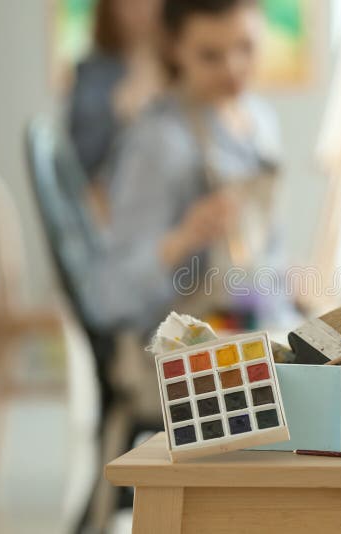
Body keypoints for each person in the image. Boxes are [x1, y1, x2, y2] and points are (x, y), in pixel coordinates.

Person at [81, 0, 281, 335]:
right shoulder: (157, 142)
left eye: (246, 47)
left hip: (249, 327)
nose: (233, 67)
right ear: (175, 48)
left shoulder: (262, 122)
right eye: (210, 55)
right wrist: (181, 240)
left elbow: (269, 257)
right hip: (176, 355)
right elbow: (106, 296)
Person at [68, 0, 166, 219]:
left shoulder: (181, 69)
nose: (142, 9)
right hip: (112, 206)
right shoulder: (93, 75)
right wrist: (118, 112)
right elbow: (80, 161)